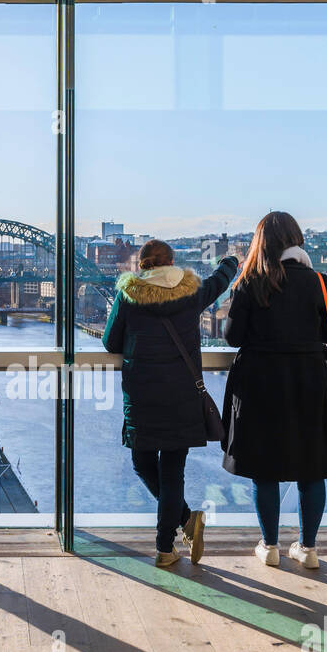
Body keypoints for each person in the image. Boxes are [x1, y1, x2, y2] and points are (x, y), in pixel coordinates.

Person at [220, 211, 327, 570]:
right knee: (312, 467)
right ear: (297, 240)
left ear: (263, 243)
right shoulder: (318, 281)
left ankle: (270, 546)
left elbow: (232, 338)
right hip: (308, 382)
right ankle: (307, 549)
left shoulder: (251, 282)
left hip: (260, 383)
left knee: (265, 468)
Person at [102, 239, 238, 567]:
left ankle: (184, 524)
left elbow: (110, 342)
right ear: (173, 262)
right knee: (173, 470)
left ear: (142, 265)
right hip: (182, 396)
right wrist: (230, 260)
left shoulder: (128, 295)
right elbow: (221, 280)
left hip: (143, 395)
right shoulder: (191, 292)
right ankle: (166, 546)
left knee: (142, 464)